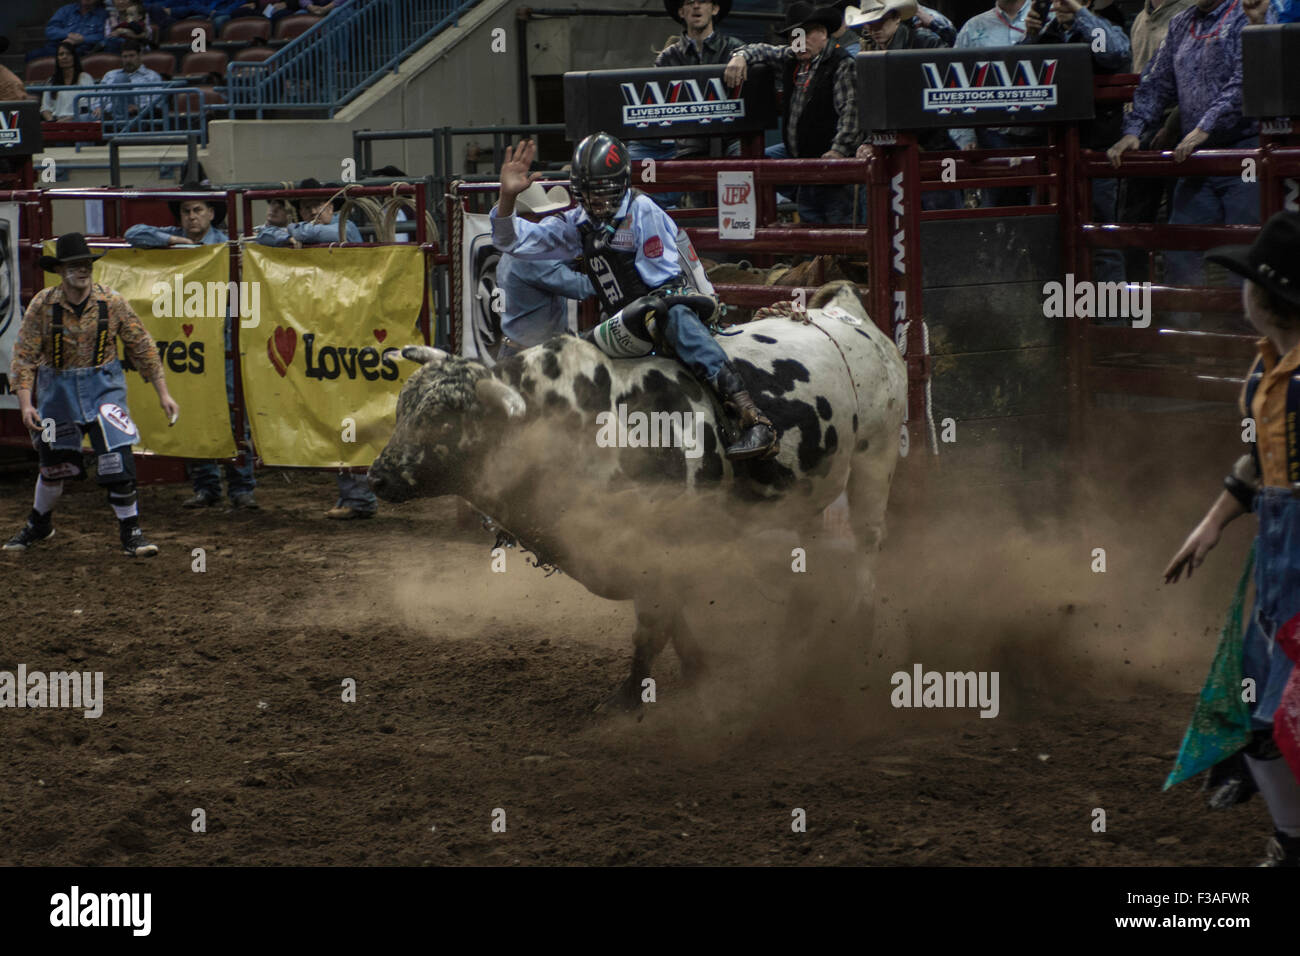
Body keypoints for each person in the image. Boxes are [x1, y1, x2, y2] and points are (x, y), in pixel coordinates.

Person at [491, 134, 779, 460]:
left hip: (674, 301)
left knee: (671, 316)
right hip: (627, 319)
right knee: (575, 353)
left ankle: (752, 417)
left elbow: (666, 283)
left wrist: (637, 317)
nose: (596, 203)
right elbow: (512, 241)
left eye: (603, 194)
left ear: (621, 186)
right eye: (588, 195)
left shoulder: (643, 211)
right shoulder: (579, 222)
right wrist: (507, 198)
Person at [1164, 212, 1300, 866]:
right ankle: (1292, 838)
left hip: (1292, 552)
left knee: (1279, 712)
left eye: (1245, 281)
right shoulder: (1264, 373)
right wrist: (1213, 522)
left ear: (1263, 298)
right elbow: (1259, 464)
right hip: (1279, 556)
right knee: (1258, 708)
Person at [5, 233, 177, 557]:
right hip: (55, 395)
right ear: (60, 270)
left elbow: (143, 347)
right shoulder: (43, 304)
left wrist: (163, 393)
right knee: (54, 465)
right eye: (74, 265)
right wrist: (27, 404)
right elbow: (24, 356)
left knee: (117, 458)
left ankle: (132, 533)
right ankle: (39, 523)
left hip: (104, 390)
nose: (82, 270)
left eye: (85, 264)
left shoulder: (111, 301)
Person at [1108, 0, 1274, 327]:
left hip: (1243, 153)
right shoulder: (1183, 23)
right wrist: (1135, 130)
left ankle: (1242, 345)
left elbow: (1246, 79)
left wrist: (1205, 126)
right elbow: (1156, 80)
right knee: (1181, 247)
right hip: (1196, 157)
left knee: (1243, 249)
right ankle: (1186, 342)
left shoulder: (1245, 15)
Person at [125, 184, 260, 510]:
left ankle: (240, 487)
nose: (191, 216)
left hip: (220, 339)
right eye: (186, 211)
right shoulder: (183, 239)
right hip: (188, 341)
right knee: (192, 409)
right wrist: (175, 241)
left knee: (232, 411)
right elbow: (134, 233)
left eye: (198, 210)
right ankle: (207, 486)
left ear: (211, 213)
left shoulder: (226, 245)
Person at [1022, 0, 1130, 283]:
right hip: (1053, 153)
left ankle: (1112, 323)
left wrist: (1080, 13)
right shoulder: (1047, 35)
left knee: (1103, 240)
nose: (1059, 2)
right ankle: (1058, 321)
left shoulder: (1102, 29)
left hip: (1096, 152)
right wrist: (1031, 36)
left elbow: (1114, 54)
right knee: (1050, 239)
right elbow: (1019, 78)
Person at [725, 3, 860, 224]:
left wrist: (838, 151)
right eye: (795, 36)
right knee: (811, 225)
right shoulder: (792, 60)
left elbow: (850, 111)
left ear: (823, 33)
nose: (800, 42)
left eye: (806, 34)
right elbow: (761, 50)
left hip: (833, 170)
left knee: (839, 230)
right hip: (805, 166)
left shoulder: (841, 64)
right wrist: (740, 55)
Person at [851, 0, 959, 212]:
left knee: (939, 217)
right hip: (895, 150)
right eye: (870, 24)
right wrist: (869, 140)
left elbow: (940, 96)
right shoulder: (869, 54)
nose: (874, 30)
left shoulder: (925, 43)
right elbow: (871, 106)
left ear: (896, 18)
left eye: (879, 22)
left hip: (932, 148)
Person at [1119, 0, 1196, 283]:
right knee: (1135, 221)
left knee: (1181, 219)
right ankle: (1142, 304)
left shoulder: (1188, 13)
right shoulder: (1141, 19)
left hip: (1180, 127)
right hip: (1144, 126)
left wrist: (1171, 123)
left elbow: (1191, 77)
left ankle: (1179, 302)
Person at [951, 0, 1045, 207]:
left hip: (1043, 133)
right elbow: (954, 86)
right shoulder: (973, 28)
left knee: (1046, 207)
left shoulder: (1048, 19)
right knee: (998, 212)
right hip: (993, 136)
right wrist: (965, 136)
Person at [495, 183, 595, 362]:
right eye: (542, 217)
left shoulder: (513, 253)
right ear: (530, 219)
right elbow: (582, 287)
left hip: (518, 350)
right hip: (531, 357)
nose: (548, 224)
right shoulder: (530, 259)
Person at [254, 178, 363, 246]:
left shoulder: (346, 227)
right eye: (307, 207)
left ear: (330, 207)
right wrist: (287, 238)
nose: (313, 211)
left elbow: (309, 233)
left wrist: (291, 229)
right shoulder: (301, 230)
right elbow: (263, 235)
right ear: (301, 213)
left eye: (317, 205)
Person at [93, 39, 164, 121]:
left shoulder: (152, 76)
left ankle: (119, 122)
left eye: (132, 56)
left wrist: (138, 108)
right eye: (125, 57)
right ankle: (116, 121)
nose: (128, 60)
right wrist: (98, 108)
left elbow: (157, 103)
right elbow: (98, 99)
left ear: (140, 55)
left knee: (121, 79)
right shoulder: (110, 75)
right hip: (107, 116)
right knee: (80, 118)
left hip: (137, 117)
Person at [30, 0, 108, 61]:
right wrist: (68, 35)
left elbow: (102, 36)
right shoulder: (65, 10)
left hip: (84, 50)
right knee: (32, 55)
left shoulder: (103, 14)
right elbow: (50, 30)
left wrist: (82, 39)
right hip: (58, 47)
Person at [41, 42, 96, 122]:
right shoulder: (51, 81)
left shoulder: (85, 77)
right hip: (57, 122)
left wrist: (67, 121)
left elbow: (87, 106)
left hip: (79, 121)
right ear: (57, 58)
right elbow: (45, 108)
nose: (64, 57)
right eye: (61, 54)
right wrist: (53, 122)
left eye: (68, 54)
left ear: (74, 57)